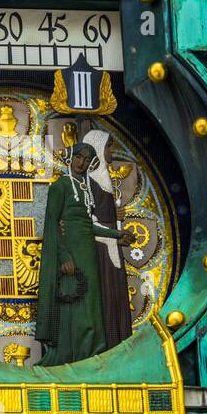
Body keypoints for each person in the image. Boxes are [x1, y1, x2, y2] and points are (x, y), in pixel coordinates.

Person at [35, 142, 131, 366]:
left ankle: (91, 355)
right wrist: (64, 257)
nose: (82, 163)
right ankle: (70, 357)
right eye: (79, 157)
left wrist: (117, 235)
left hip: (88, 256)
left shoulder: (87, 188)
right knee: (73, 307)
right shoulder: (60, 187)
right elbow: (51, 225)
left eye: (87, 160)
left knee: (91, 308)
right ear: (71, 158)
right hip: (72, 256)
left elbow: (88, 226)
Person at [82, 129, 133, 348]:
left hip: (111, 245)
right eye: (109, 146)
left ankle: (117, 345)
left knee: (114, 297)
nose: (112, 150)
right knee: (105, 298)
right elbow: (85, 220)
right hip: (100, 249)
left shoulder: (103, 176)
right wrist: (113, 224)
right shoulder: (89, 180)